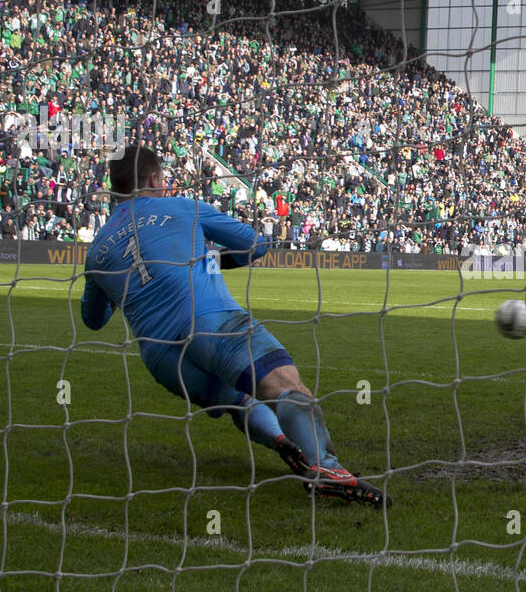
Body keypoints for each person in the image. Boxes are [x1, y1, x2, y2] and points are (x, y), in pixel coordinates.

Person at [79, 145, 389, 507]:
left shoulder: (96, 249)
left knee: (239, 402)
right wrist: (210, 258)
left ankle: (282, 443)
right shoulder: (183, 206)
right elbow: (255, 245)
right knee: (285, 386)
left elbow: (94, 320)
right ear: (154, 179)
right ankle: (327, 468)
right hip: (210, 322)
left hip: (162, 359)